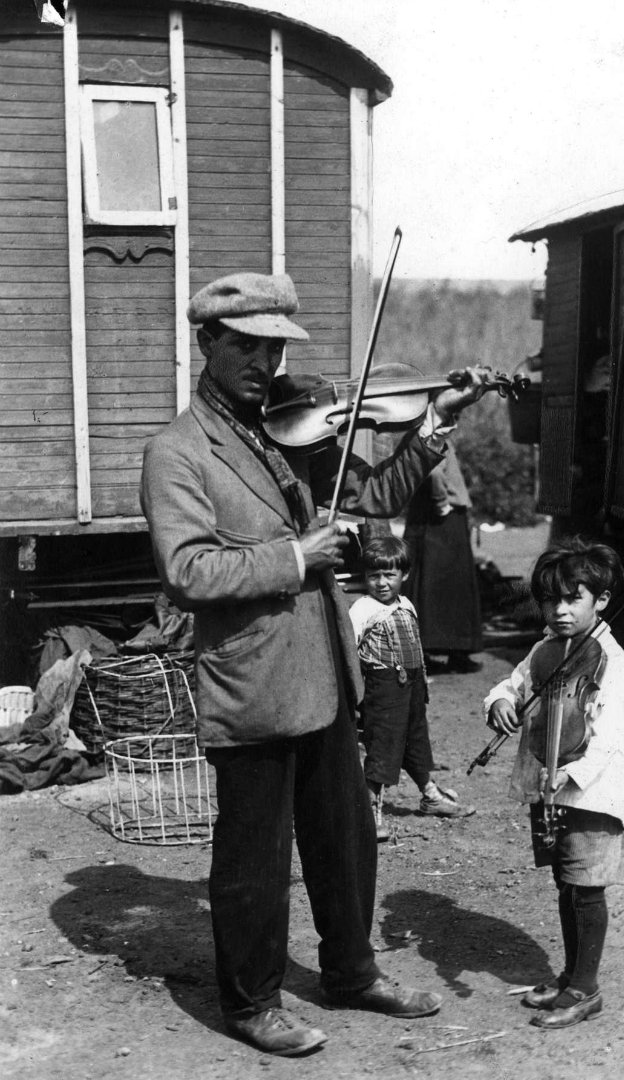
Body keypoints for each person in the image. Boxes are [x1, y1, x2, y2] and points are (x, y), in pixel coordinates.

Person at [140, 271, 486, 1058]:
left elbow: (369, 499)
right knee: (254, 859)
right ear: (209, 344)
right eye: (249, 347)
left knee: (345, 838)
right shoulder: (178, 453)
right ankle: (252, 1002)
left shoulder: (291, 432)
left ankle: (351, 971)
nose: (267, 363)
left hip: (328, 672)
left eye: (276, 348)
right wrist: (296, 555)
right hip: (256, 681)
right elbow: (188, 571)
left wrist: (431, 426)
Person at [482, 537, 624, 1030]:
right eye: (551, 599)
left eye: (573, 599)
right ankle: (571, 972)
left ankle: (586, 988)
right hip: (548, 784)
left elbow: (612, 736)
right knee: (565, 881)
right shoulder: (543, 650)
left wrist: (570, 773)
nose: (560, 610)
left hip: (593, 791)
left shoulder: (615, 664)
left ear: (601, 600)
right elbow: (511, 685)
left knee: (587, 887)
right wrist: (500, 703)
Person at [349, 535, 475, 842]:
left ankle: (430, 796)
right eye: (373, 576)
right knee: (383, 745)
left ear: (404, 575)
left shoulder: (406, 604)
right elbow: (349, 650)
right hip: (382, 689)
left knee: (415, 740)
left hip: (413, 685)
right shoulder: (362, 609)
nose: (381, 583)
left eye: (389, 575)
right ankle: (369, 813)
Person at [403, 446, 483, 673]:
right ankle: (448, 650)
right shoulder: (433, 432)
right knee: (447, 583)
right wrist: (441, 503)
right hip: (439, 518)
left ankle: (439, 649)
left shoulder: (423, 431)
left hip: (430, 516)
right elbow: (434, 471)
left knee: (432, 582)